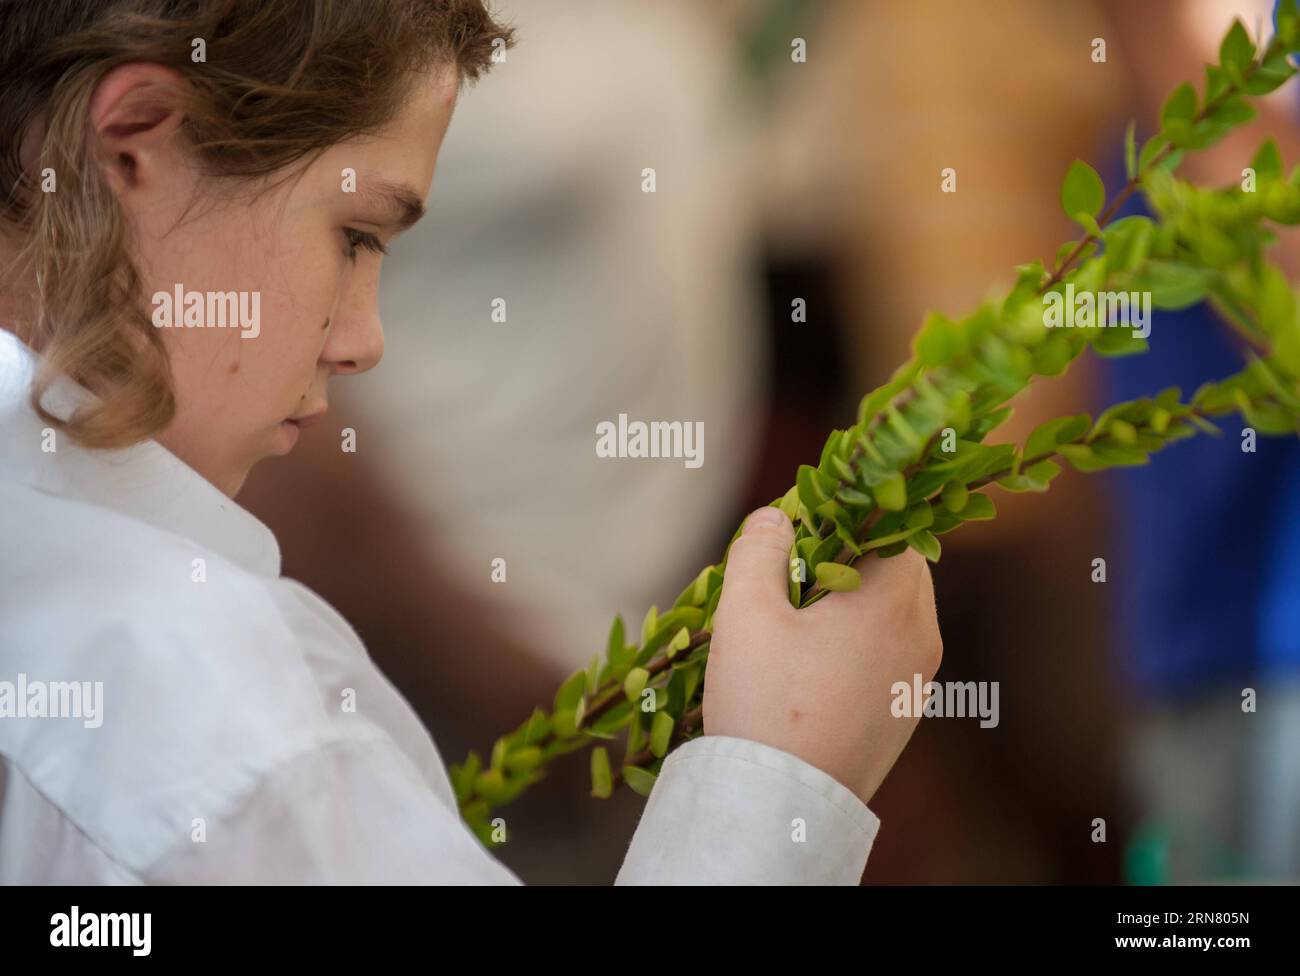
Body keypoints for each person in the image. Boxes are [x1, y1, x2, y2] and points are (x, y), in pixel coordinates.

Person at [0, 0, 942, 884]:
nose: (361, 340)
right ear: (134, 149)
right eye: (357, 235)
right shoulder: (240, 731)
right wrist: (776, 779)